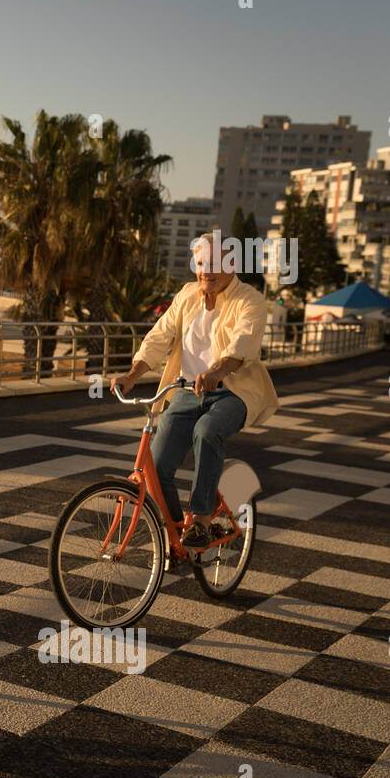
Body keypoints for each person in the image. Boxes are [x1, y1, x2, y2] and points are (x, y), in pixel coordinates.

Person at [110, 232, 278, 548]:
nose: (205, 271)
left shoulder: (250, 300)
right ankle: (175, 535)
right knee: (156, 470)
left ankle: (201, 522)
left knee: (206, 430)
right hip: (187, 390)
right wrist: (132, 374)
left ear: (233, 263)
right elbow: (160, 336)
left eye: (214, 263)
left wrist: (217, 370)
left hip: (233, 391)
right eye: (201, 263)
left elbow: (244, 342)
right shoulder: (187, 295)